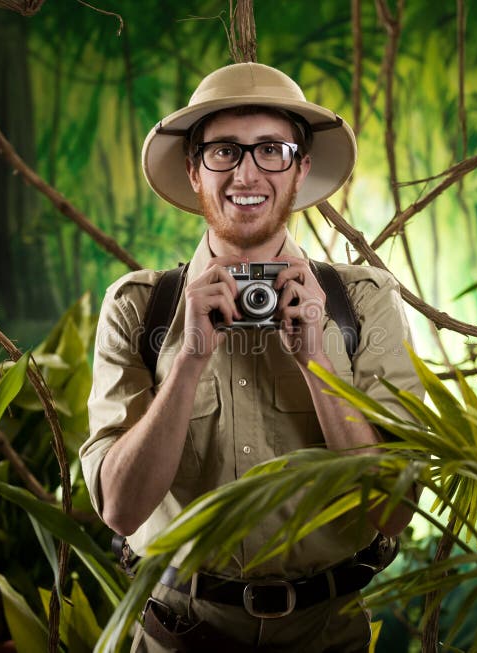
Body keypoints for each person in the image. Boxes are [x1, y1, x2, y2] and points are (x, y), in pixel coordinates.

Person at [81, 62, 424, 652]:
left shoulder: (362, 303)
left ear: (301, 168)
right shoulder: (139, 307)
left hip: (327, 632)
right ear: (193, 170)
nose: (247, 172)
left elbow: (392, 513)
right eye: (223, 152)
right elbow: (119, 509)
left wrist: (318, 361)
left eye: (272, 149)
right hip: (178, 632)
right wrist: (187, 360)